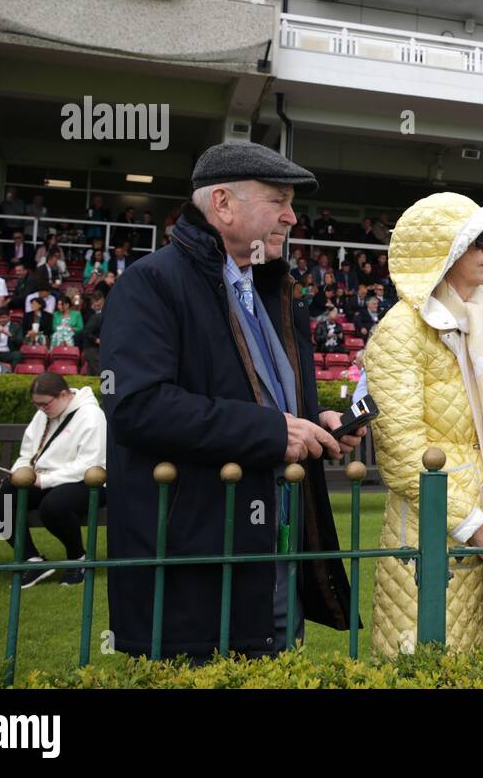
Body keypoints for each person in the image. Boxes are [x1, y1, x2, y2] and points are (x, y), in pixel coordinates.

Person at [101, 145, 361, 660]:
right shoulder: (150, 283)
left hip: (276, 550)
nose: (292, 216)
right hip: (193, 563)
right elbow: (136, 406)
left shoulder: (273, 291)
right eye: (278, 201)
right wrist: (272, 432)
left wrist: (315, 424)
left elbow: (260, 400)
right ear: (222, 203)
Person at [365, 192, 483, 655]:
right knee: (432, 660)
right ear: (443, 253)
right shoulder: (399, 330)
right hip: (435, 529)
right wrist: (478, 531)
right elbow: (403, 453)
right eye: (477, 241)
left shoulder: (480, 318)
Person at [0, 373, 107, 588]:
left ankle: (78, 559)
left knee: (54, 506)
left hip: (88, 483)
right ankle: (32, 561)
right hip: (45, 479)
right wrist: (21, 472)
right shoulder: (43, 413)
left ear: (64, 394)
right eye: (36, 404)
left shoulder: (92, 416)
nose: (41, 409)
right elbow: (27, 453)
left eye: (44, 404)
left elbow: (88, 465)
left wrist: (43, 480)